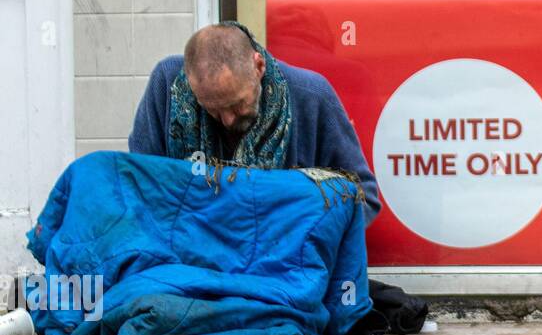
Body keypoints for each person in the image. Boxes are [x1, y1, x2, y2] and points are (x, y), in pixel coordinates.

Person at [128, 21, 381, 225]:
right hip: (188, 267)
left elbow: (363, 196)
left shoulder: (311, 96)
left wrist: (302, 229)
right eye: (211, 109)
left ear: (258, 66)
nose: (227, 120)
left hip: (283, 268)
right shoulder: (167, 84)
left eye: (236, 104)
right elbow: (142, 188)